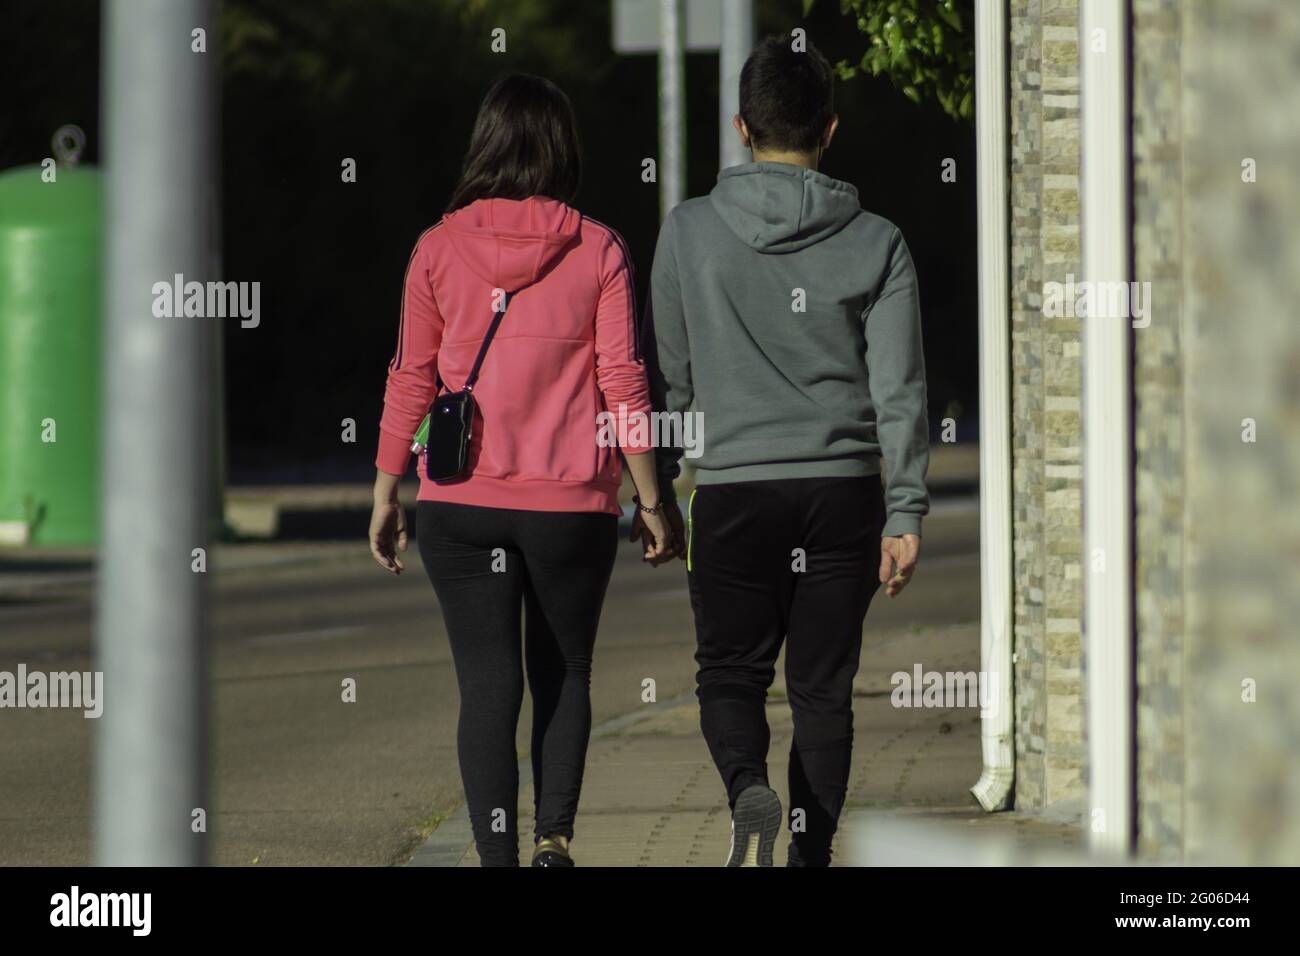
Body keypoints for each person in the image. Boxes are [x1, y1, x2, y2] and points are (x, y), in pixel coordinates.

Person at [637, 36, 929, 867]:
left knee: (729, 673)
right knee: (822, 691)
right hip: (841, 493)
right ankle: (807, 855)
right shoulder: (879, 243)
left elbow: (671, 387)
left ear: (740, 127)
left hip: (732, 491)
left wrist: (653, 499)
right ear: (830, 130)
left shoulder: (687, 232)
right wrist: (904, 510)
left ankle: (744, 790)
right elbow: (900, 390)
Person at [368, 73, 673, 867]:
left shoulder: (436, 247)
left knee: (487, 685)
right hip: (570, 504)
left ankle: (496, 859)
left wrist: (385, 491)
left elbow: (410, 375)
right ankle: (554, 841)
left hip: (460, 501)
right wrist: (651, 499)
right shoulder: (599, 247)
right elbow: (623, 379)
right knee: (565, 667)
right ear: (563, 148)